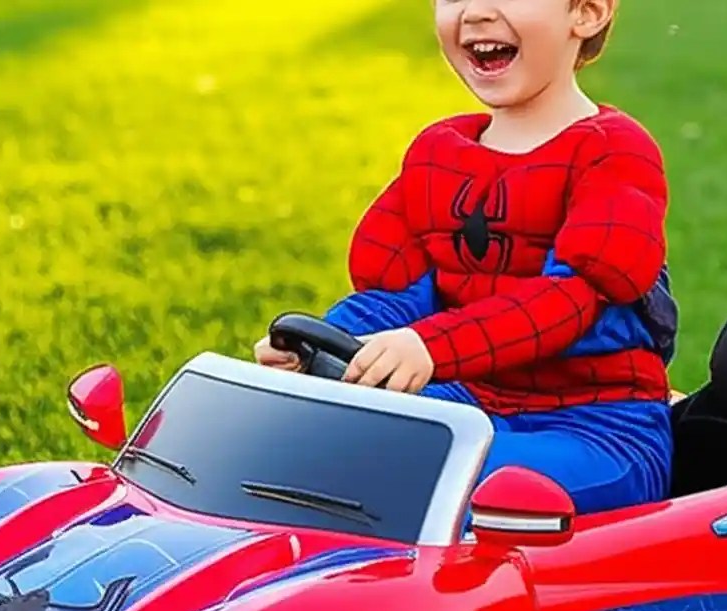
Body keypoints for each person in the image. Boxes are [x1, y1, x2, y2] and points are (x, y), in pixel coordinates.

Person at [255, 0, 678, 515]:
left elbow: (567, 302)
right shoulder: (441, 155)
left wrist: (428, 347)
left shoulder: (616, 154)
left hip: (594, 429)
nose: (476, 12)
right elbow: (395, 298)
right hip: (467, 403)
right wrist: (321, 345)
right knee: (304, 438)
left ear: (587, 12)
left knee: (430, 472)